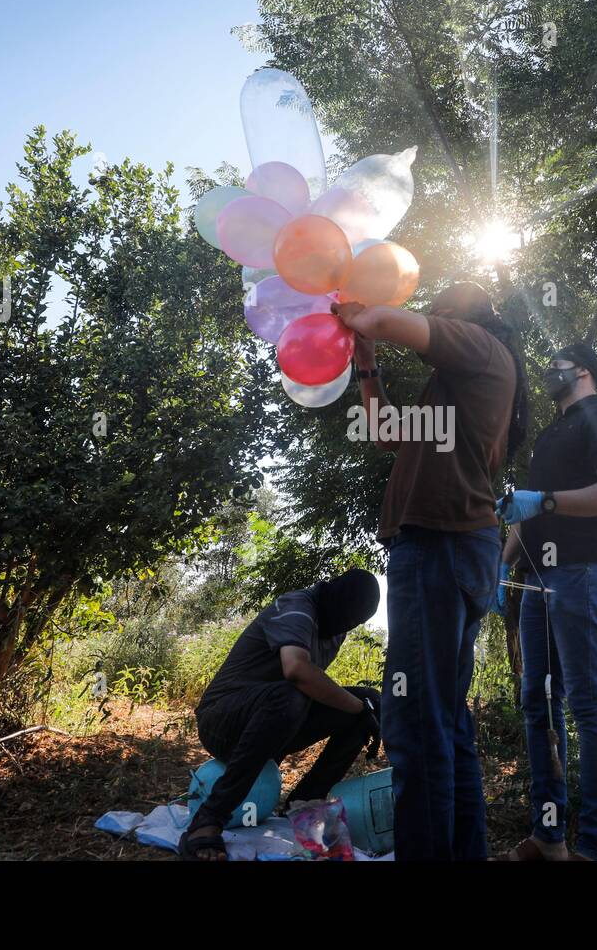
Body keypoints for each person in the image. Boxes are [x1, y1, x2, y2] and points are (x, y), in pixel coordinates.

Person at [332, 282, 528, 860]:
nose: (432, 317)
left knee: (415, 721)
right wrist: (367, 367)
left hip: (441, 549)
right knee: (444, 721)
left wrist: (358, 314)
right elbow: (385, 432)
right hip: (450, 553)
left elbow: (395, 322)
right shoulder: (453, 387)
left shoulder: (482, 349)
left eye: (440, 310)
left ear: (459, 316)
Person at [495, 342, 597, 861]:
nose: (549, 372)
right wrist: (503, 564)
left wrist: (545, 500)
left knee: (588, 702)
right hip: (536, 578)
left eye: (558, 365)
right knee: (538, 703)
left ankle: (594, 848)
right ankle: (548, 837)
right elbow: (530, 513)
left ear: (584, 371)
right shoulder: (549, 435)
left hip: (585, 572)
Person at [181, 568, 382, 861]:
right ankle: (209, 819)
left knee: (368, 701)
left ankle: (302, 805)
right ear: (331, 598)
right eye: (347, 618)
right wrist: (358, 708)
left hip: (274, 716)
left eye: (355, 623)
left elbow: (317, 692)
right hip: (221, 720)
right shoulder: (297, 606)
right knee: (299, 693)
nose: (346, 627)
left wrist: (364, 709)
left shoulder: (337, 629)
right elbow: (296, 670)